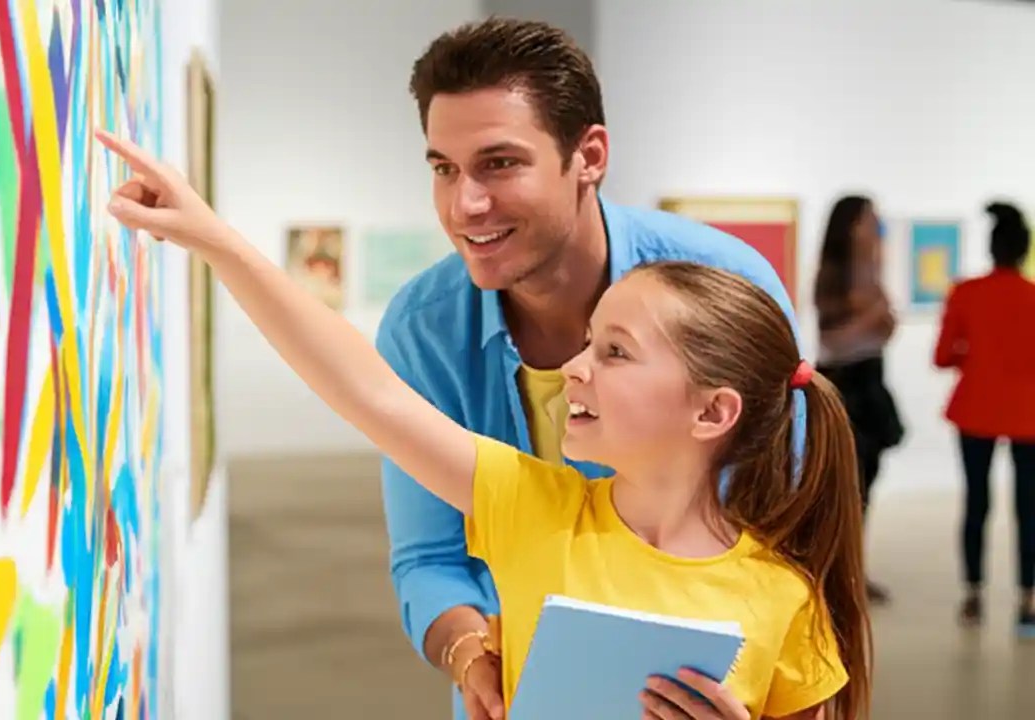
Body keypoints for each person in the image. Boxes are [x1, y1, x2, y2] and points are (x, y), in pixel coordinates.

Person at [95, 129, 872, 720]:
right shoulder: (529, 505)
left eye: (615, 352)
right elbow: (368, 391)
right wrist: (215, 240)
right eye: (588, 339)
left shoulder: (784, 598)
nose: (573, 365)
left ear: (712, 411)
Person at [375, 18, 808, 720]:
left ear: (590, 155)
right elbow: (429, 558)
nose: (465, 205)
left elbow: (793, 522)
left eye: (500, 162)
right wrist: (470, 655)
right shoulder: (421, 329)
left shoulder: (728, 280)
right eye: (443, 168)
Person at [933, 202, 1035, 635]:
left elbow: (942, 357)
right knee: (1029, 509)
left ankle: (973, 595)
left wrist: (974, 359)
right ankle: (1027, 600)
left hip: (976, 407)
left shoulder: (966, 292)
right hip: (1029, 414)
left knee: (976, 503)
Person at [811, 195, 902, 606]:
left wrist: (876, 314)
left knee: (865, 486)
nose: (876, 225)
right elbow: (833, 340)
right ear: (851, 225)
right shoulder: (834, 274)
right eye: (869, 219)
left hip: (868, 381)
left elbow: (885, 329)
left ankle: (852, 574)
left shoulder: (870, 271)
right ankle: (836, 576)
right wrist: (873, 315)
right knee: (845, 489)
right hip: (845, 386)